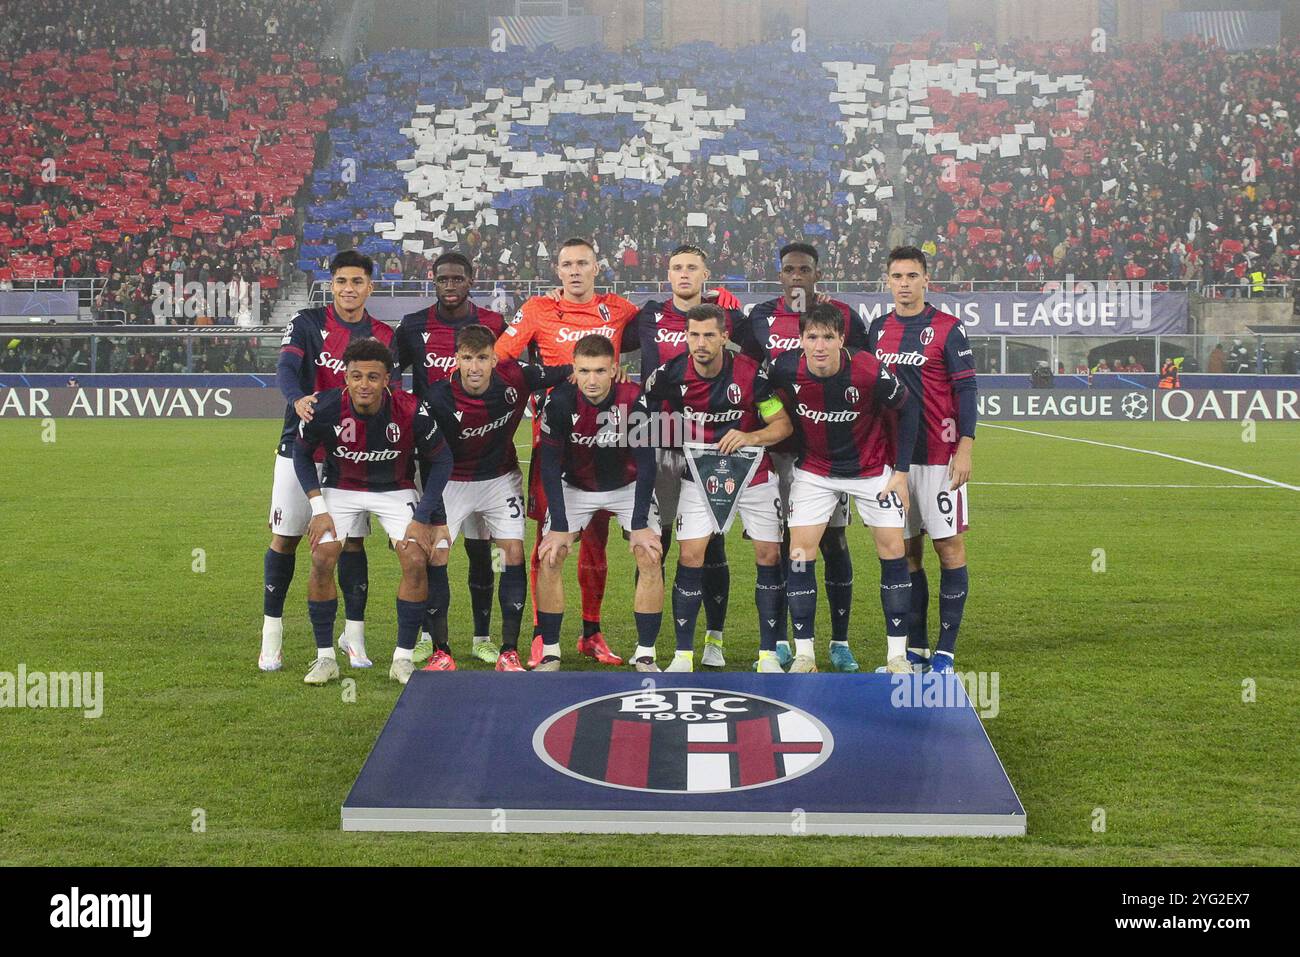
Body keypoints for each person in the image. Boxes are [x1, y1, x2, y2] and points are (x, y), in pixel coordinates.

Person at [495, 237, 640, 668]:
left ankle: (591, 633)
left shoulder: (619, 309)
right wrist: (547, 380)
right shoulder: (537, 310)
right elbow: (502, 359)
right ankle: (544, 635)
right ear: (556, 271)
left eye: (583, 263)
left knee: (595, 543)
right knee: (551, 540)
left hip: (607, 443)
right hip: (555, 441)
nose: (575, 271)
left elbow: (664, 324)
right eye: (567, 264)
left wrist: (715, 298)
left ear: (597, 268)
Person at [639, 304, 793, 673]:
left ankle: (768, 655)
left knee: (769, 556)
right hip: (698, 474)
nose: (701, 343)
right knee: (690, 556)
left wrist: (751, 435)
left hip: (754, 474)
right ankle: (682, 656)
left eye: (709, 334)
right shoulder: (671, 374)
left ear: (725, 336)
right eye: (694, 335)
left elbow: (782, 425)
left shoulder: (752, 375)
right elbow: (644, 416)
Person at [736, 242, 868, 672]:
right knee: (776, 546)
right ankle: (779, 643)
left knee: (833, 541)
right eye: (789, 269)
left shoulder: (844, 316)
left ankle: (840, 642)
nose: (796, 276)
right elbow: (748, 374)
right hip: (775, 451)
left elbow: (865, 372)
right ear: (780, 275)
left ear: (817, 274)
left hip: (826, 450)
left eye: (804, 269)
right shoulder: (759, 316)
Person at [260, 250, 393, 673]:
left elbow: (394, 395)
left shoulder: (383, 336)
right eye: (341, 281)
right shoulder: (307, 324)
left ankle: (353, 638)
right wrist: (297, 398)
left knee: (351, 542)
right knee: (287, 539)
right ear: (330, 285)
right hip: (299, 447)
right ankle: (272, 637)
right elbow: (284, 369)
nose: (349, 289)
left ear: (370, 287)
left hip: (353, 455)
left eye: (357, 282)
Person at [292, 337, 452, 686]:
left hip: (395, 489)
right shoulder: (325, 407)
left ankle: (403, 659)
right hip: (341, 488)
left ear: (387, 379)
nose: (365, 384)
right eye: (357, 376)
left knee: (414, 559)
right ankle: (325, 659)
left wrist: (424, 516)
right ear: (345, 378)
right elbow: (301, 454)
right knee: (322, 558)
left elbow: (441, 459)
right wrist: (318, 508)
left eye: (373, 377)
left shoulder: (411, 409)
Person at [770, 303, 919, 674]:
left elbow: (909, 408)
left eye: (828, 337)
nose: (819, 346)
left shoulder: (868, 368)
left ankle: (896, 657)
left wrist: (900, 472)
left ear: (841, 339)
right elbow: (758, 391)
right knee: (801, 553)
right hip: (816, 472)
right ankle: (805, 655)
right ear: (801, 339)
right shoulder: (785, 367)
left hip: (872, 471)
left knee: (893, 552)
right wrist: (774, 420)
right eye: (812, 337)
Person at [421, 324, 570, 671]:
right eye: (468, 358)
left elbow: (568, 372)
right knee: (437, 555)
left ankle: (509, 652)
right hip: (451, 482)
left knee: (511, 554)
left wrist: (606, 372)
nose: (475, 367)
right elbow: (426, 458)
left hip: (499, 480)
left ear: (494, 359)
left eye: (483, 358)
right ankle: (441, 652)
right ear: (456, 359)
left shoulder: (516, 377)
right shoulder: (438, 397)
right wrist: (435, 515)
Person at [627, 243, 742, 667]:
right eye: (677, 267)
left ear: (705, 272)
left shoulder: (726, 317)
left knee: (712, 548)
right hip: (659, 442)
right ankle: (647, 648)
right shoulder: (648, 316)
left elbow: (751, 363)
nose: (684, 274)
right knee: (654, 545)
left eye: (692, 267)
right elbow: (605, 347)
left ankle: (713, 639)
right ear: (668, 273)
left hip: (707, 445)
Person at [867, 246, 977, 675]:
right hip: (894, 461)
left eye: (913, 275)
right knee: (906, 552)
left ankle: (946, 652)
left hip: (938, 458)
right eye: (898, 276)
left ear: (926, 279)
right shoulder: (877, 330)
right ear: (888, 281)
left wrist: (965, 447)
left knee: (948, 547)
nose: (905, 283)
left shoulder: (948, 328)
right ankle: (915, 648)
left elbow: (966, 390)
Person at [393, 251, 507, 664]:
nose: (451, 285)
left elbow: (511, 370)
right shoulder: (413, 326)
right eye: (443, 279)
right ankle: (428, 634)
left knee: (482, 551)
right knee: (430, 549)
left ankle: (481, 636)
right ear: (433, 280)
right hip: (434, 457)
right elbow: (391, 375)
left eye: (458, 278)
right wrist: (409, 414)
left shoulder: (494, 325)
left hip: (485, 456)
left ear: (471, 280)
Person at [534, 334, 663, 672]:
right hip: (575, 486)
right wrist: (560, 525)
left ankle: (646, 654)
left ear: (614, 370)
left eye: (600, 371)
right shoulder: (559, 402)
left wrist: (638, 524)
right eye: (584, 371)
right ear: (574, 371)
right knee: (550, 555)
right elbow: (549, 465)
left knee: (649, 554)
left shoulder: (634, 400)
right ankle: (550, 651)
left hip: (627, 484)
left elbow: (648, 463)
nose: (592, 380)